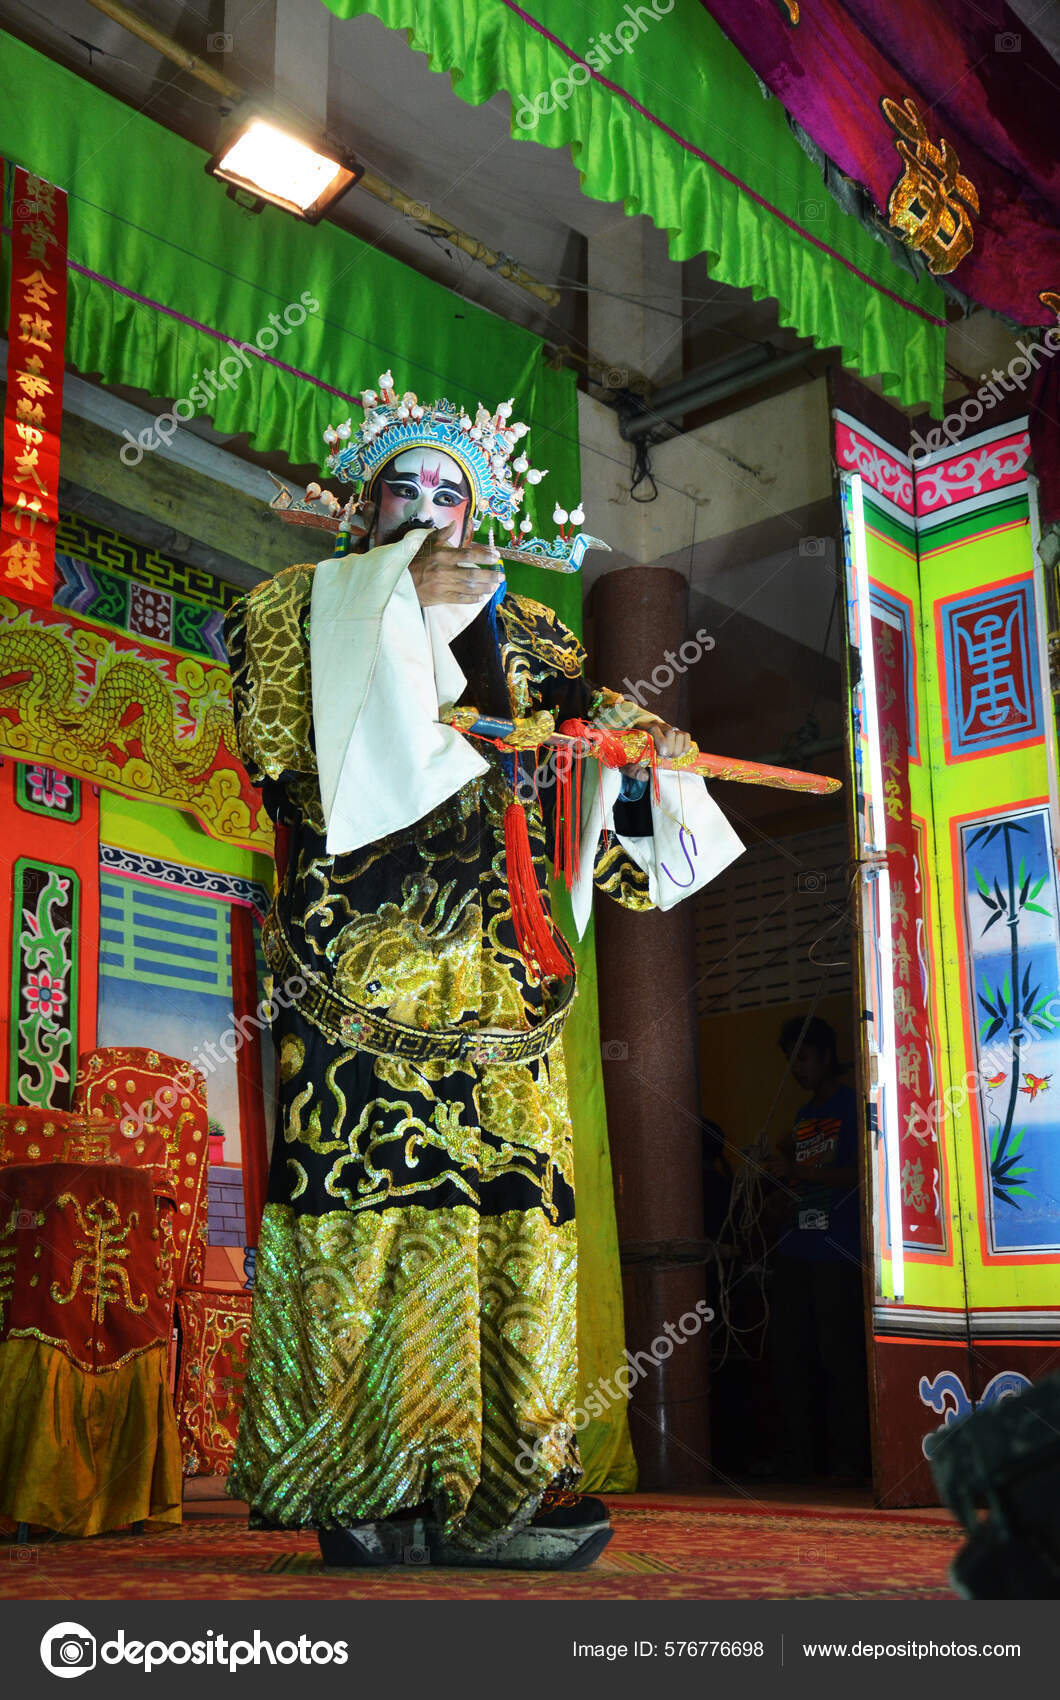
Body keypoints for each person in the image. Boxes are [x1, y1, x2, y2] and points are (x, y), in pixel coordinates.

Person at [223, 376, 743, 1569]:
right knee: (366, 1207)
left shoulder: (535, 632)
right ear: (357, 512)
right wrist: (395, 617)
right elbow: (286, 757)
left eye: (446, 490)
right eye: (396, 487)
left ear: (480, 509)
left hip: (503, 979)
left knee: (514, 1215)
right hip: (360, 972)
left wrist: (638, 752)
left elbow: (587, 759)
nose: (422, 505)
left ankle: (509, 1484)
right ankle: (365, 1483)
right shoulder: (293, 609)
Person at [764, 1016, 869, 1482]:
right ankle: (801, 1460)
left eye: (803, 1058)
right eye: (790, 1061)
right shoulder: (806, 1116)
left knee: (838, 1357)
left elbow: (858, 1174)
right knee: (792, 1356)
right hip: (798, 1247)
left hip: (837, 1250)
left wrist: (802, 1174)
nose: (796, 1069)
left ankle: (850, 1461)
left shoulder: (852, 1105)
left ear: (828, 1056)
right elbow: (803, 1171)